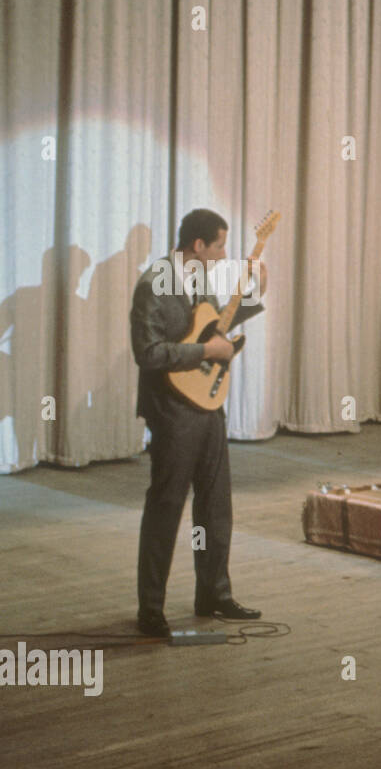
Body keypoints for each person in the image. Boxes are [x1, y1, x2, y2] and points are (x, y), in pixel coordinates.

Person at [130, 208, 265, 637]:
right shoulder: (154, 283)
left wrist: (256, 288)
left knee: (215, 504)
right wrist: (208, 354)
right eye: (220, 246)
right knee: (167, 506)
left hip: (208, 406)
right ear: (198, 245)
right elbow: (149, 353)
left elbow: (211, 327)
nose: (224, 254)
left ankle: (214, 592)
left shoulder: (201, 279)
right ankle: (151, 606)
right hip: (172, 410)